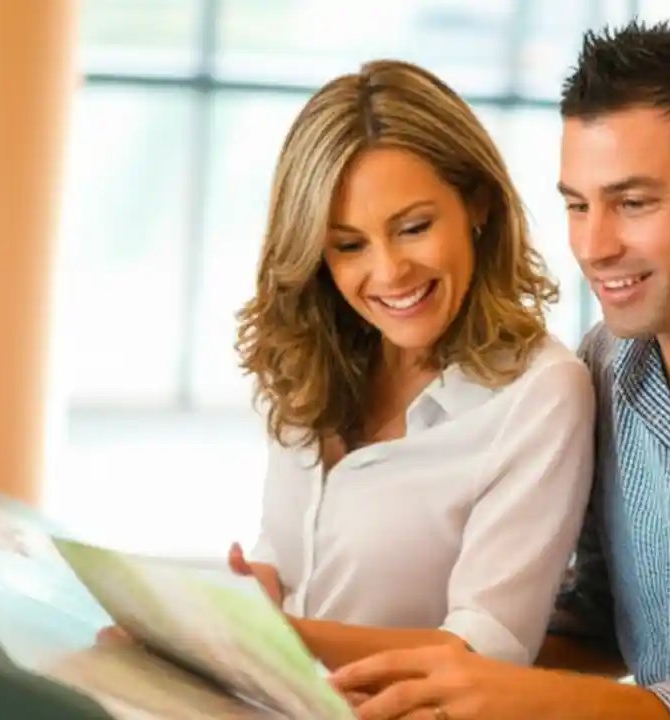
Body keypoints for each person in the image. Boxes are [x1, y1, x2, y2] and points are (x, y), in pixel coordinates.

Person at [329, 22, 670, 720]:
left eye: (633, 203)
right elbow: (601, 618)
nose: (594, 246)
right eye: (577, 205)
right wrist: (439, 670)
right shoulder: (602, 367)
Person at [230, 59, 596, 670]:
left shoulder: (540, 393)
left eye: (414, 228)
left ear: (477, 203)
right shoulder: (309, 365)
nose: (390, 272)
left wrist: (279, 638)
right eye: (349, 245)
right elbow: (286, 564)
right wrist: (230, 607)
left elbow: (486, 649)